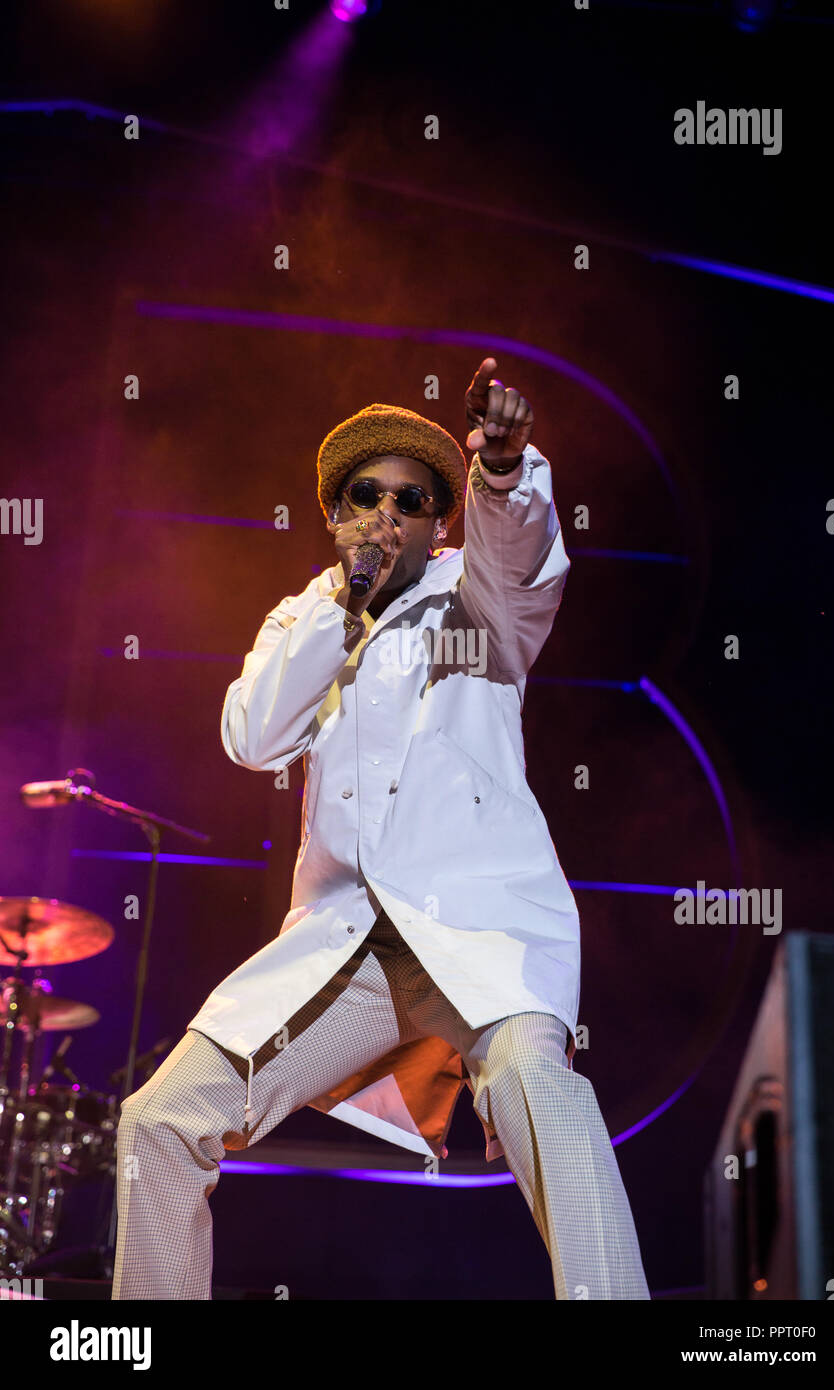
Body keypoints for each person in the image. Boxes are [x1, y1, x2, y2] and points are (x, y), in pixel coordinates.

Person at [110, 357, 650, 1301]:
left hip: (480, 932)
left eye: (413, 500)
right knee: (160, 1120)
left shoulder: (479, 601)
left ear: (441, 521)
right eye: (367, 496)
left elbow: (522, 555)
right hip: (348, 951)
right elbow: (252, 737)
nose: (387, 515)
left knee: (541, 1089)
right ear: (334, 512)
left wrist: (503, 473)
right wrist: (339, 606)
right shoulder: (306, 616)